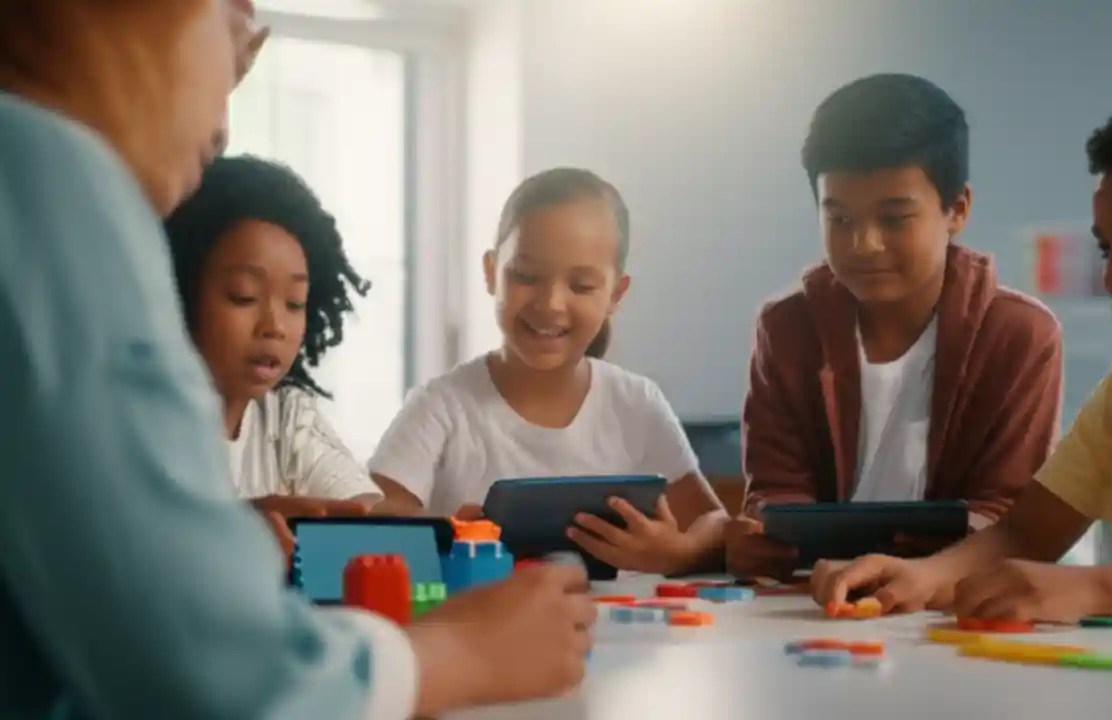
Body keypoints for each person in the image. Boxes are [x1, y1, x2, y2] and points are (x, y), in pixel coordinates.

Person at [0, 2, 593, 718]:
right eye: (234, 24)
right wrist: (461, 652)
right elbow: (215, 685)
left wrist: (199, 549)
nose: (227, 107)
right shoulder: (46, 175)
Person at [812, 93, 1112, 623]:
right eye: (1107, 249)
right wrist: (918, 577)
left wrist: (1103, 590)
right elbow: (1026, 533)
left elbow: (1088, 581)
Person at [727, 74, 1063, 580]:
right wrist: (763, 533)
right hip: (813, 595)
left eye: (894, 219)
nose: (864, 245)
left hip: (952, 598)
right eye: (839, 219)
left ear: (958, 209)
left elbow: (1006, 512)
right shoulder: (786, 327)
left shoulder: (1020, 335)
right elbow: (776, 488)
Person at [370, 168, 729, 576]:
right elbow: (375, 519)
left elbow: (715, 523)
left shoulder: (636, 403)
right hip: (482, 631)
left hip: (626, 635)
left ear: (615, 294)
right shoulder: (442, 406)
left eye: (581, 286)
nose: (551, 304)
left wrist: (681, 553)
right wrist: (447, 533)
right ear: (490, 273)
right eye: (526, 277)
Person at [165, 155, 382, 507]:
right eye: (243, 296)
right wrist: (248, 524)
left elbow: (364, 513)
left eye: (295, 303)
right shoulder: (141, 420)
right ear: (180, 291)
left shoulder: (287, 419)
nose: (275, 327)